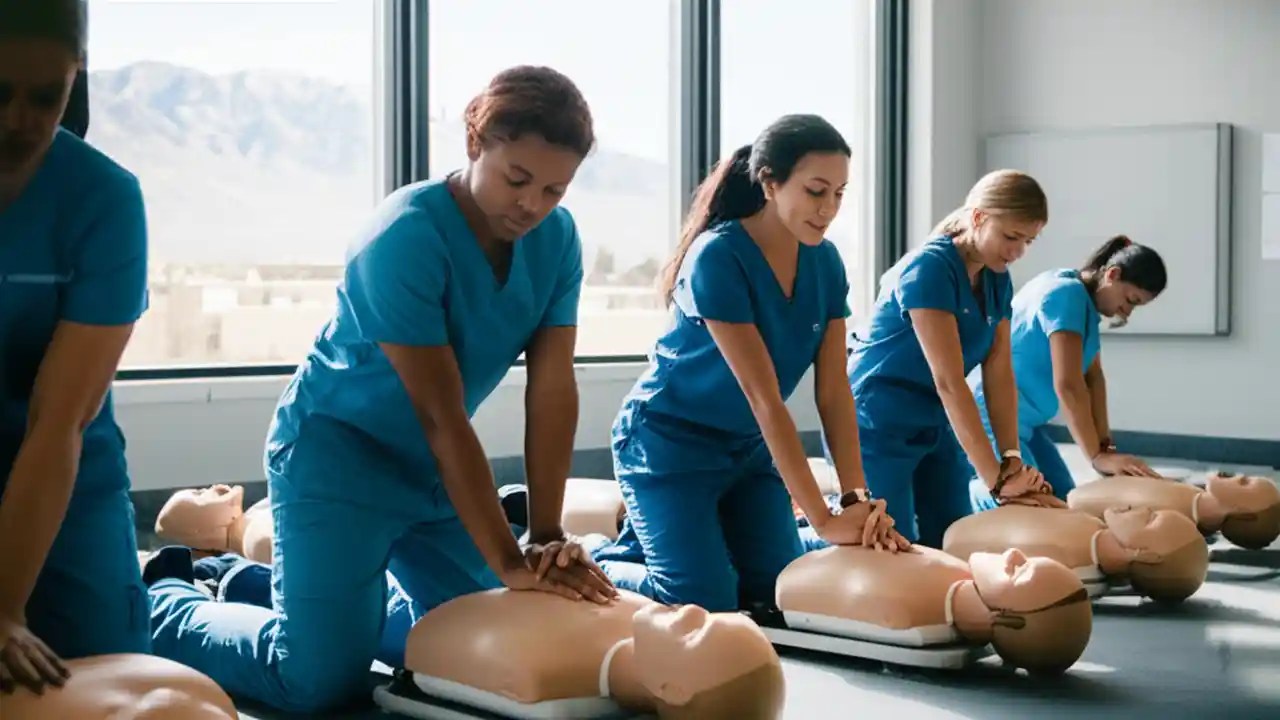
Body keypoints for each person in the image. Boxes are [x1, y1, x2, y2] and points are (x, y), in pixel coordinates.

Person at [147, 65, 617, 714]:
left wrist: (543, 532)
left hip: (431, 471)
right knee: (316, 684)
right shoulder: (404, 234)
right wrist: (509, 559)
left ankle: (277, 590)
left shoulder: (557, 242)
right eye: (517, 179)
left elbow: (553, 391)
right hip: (335, 456)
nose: (532, 204)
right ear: (476, 143)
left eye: (554, 189)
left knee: (500, 642)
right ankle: (167, 597)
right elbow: (441, 414)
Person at [591, 114, 907, 615]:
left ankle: (650, 536)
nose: (828, 210)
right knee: (703, 600)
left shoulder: (826, 263)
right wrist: (823, 522)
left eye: (840, 194)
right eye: (815, 191)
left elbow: (833, 393)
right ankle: (589, 557)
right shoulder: (717, 256)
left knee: (775, 586)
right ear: (769, 183)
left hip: (745, 452)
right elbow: (764, 399)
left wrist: (854, 499)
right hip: (667, 447)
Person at [0, 0, 151, 696]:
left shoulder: (105, 199)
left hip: (66, 470)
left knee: (113, 683)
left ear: (78, 73)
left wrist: (3, 611)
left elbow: (58, 422)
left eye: (44, 96)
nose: (16, 121)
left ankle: (178, 585)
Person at [843, 169, 1061, 550]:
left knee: (953, 540)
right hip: (876, 422)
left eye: (1028, 241)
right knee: (891, 545)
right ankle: (806, 535)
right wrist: (995, 480)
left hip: (933, 420)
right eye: (1011, 237)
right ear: (978, 217)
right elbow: (949, 381)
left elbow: (998, 371)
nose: (1018, 251)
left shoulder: (996, 276)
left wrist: (1009, 458)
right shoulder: (928, 269)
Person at [969, 237, 1167, 511]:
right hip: (991, 416)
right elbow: (1069, 385)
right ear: (1113, 274)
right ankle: (974, 495)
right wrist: (1095, 456)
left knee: (1066, 499)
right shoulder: (1066, 295)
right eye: (1130, 299)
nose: (1128, 312)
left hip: (1026, 423)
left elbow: (1094, 379)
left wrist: (1107, 451)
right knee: (1030, 507)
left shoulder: (1083, 303)